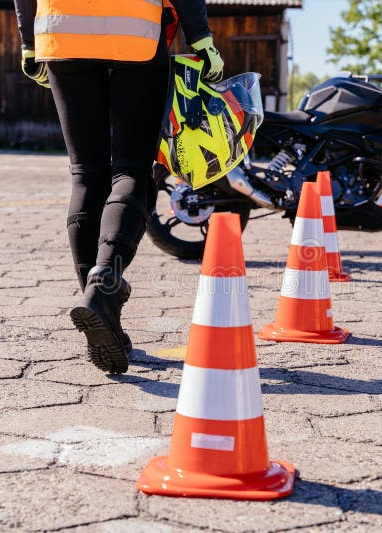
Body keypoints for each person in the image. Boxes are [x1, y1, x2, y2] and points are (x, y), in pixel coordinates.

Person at [13, 0, 224, 374]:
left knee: (86, 173)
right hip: (135, 32)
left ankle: (101, 307)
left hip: (61, 33)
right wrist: (201, 38)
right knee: (130, 170)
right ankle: (103, 293)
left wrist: (29, 40)